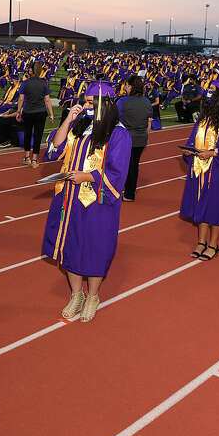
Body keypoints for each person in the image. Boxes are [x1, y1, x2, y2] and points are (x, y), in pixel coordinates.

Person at [41, 81, 132, 323]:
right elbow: (54, 149)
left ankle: (93, 296)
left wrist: (87, 177)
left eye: (92, 102)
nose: (86, 105)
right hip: (68, 198)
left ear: (105, 104)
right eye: (86, 101)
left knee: (94, 248)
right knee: (70, 246)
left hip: (96, 202)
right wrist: (68, 119)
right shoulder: (80, 125)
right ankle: (76, 295)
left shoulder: (118, 133)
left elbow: (117, 173)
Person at [179, 75, 219, 260]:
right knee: (200, 205)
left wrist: (212, 153)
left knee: (214, 207)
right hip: (198, 168)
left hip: (218, 171)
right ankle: (201, 242)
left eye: (213, 91)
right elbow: (193, 139)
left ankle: (213, 245)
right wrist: (188, 151)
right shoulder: (203, 119)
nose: (208, 94)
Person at [116, 74, 154, 201]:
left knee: (121, 165)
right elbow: (149, 122)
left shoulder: (122, 101)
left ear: (131, 87)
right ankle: (129, 193)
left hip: (125, 138)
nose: (125, 88)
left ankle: (123, 191)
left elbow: (114, 119)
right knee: (134, 164)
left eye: (126, 85)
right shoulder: (147, 102)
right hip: (141, 138)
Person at [16, 61, 53, 168]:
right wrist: (51, 114)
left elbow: (21, 98)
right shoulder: (43, 83)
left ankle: (27, 157)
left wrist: (19, 111)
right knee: (38, 135)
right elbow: (47, 100)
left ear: (31, 71)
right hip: (40, 113)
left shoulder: (25, 82)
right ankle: (34, 160)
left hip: (28, 112)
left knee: (28, 134)